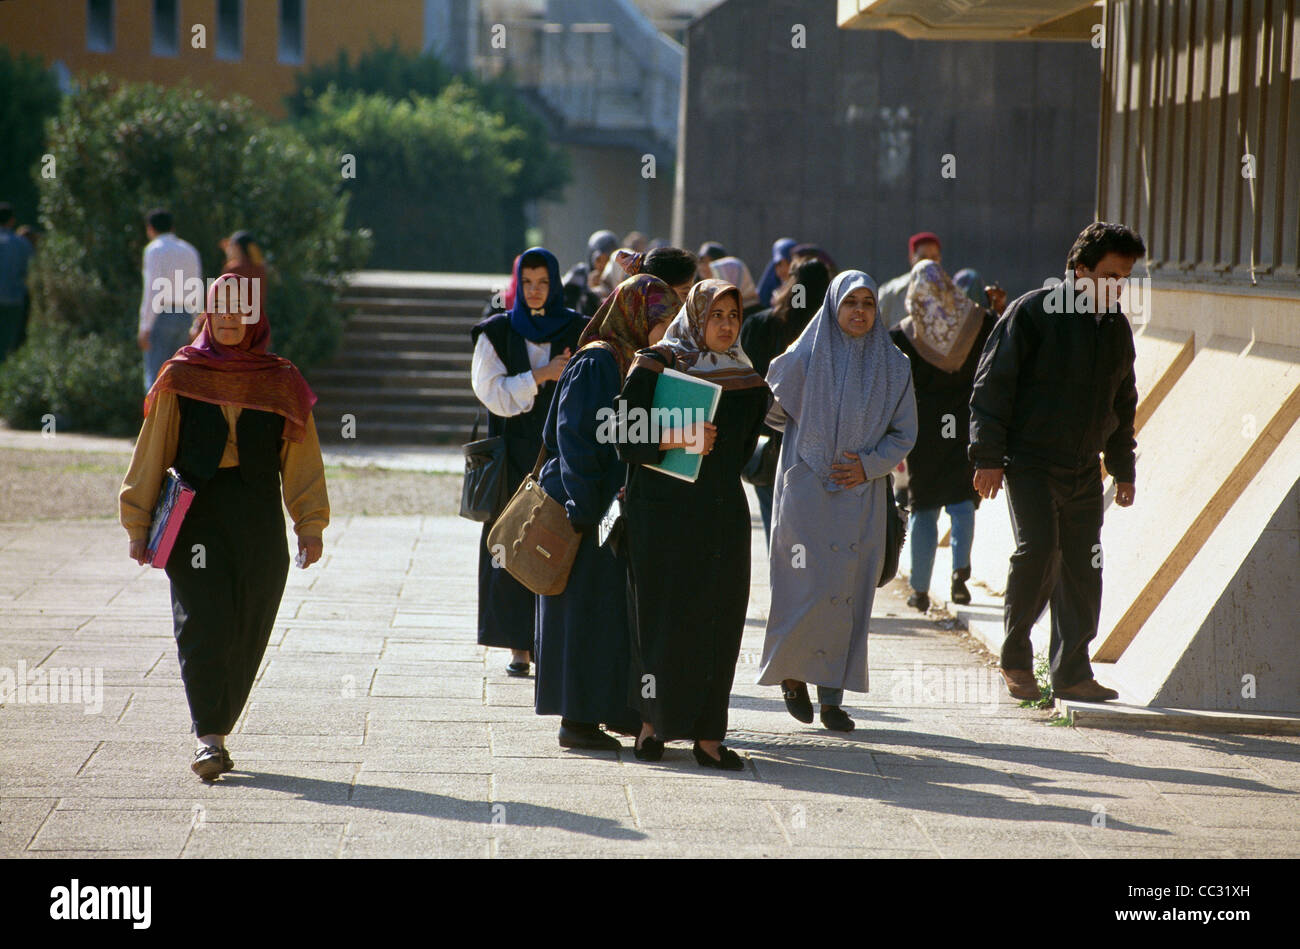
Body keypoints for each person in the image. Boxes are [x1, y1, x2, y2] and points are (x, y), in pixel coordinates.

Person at [119, 273, 329, 781]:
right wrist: (137, 522)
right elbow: (153, 449)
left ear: (255, 316)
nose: (232, 319)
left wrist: (310, 523)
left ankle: (219, 719)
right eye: (223, 309)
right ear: (208, 314)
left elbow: (302, 458)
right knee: (203, 620)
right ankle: (208, 737)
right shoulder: (182, 374)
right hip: (197, 514)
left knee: (250, 617)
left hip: (257, 514)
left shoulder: (280, 379)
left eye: (242, 310)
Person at [970, 221, 1144, 704]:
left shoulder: (1114, 327)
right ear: (1079, 270)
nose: (1116, 287)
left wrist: (1122, 466)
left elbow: (1122, 401)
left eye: (1124, 278)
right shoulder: (1033, 313)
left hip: (1085, 467)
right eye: (1109, 275)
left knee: (1084, 567)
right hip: (1029, 462)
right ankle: (1015, 657)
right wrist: (987, 457)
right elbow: (991, 389)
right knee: (1039, 552)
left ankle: (1071, 671)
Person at [617, 279, 770, 770]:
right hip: (658, 516)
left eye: (733, 315)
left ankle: (709, 735)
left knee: (717, 622)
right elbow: (621, 434)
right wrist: (680, 437)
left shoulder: (748, 378)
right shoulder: (655, 363)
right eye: (716, 314)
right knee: (659, 620)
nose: (725, 324)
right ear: (696, 315)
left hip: (720, 517)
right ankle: (650, 724)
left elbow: (741, 453)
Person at [757, 270, 917, 732]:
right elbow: (769, 412)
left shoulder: (895, 365)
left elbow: (905, 433)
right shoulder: (805, 354)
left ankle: (832, 699)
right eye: (851, 303)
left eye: (868, 303)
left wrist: (868, 465)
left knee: (845, 597)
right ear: (833, 307)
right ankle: (791, 675)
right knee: (800, 588)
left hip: (859, 494)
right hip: (806, 490)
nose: (860, 312)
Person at [533, 274, 678, 750]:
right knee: (581, 614)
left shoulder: (636, 363)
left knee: (605, 615)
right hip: (584, 506)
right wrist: (585, 506)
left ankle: (602, 711)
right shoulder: (598, 360)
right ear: (635, 316)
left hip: (606, 507)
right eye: (660, 321)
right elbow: (573, 438)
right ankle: (575, 720)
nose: (667, 332)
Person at [470, 248, 588, 677]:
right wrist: (542, 375)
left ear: (554, 284)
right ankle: (516, 644)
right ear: (516, 286)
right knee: (506, 542)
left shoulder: (577, 327)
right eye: (527, 283)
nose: (535, 291)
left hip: (560, 453)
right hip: (510, 454)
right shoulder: (496, 331)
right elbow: (491, 392)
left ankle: (548, 640)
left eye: (543, 283)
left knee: (554, 540)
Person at [890, 259, 1003, 612]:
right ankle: (959, 578)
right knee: (961, 503)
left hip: (923, 434)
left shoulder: (902, 336)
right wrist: (995, 308)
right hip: (966, 426)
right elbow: (1001, 345)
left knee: (924, 508)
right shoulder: (979, 322)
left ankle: (920, 589)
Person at [740, 256, 832, 541]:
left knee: (776, 527)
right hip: (821, 444)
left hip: (770, 442)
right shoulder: (832, 333)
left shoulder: (760, 324)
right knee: (813, 529)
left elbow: (744, 381)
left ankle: (780, 581)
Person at [138, 209, 203, 391]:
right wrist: (196, 322)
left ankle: (154, 419)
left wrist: (145, 326)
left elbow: (153, 289)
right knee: (180, 377)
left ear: (150, 229)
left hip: (161, 316)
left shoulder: (154, 250)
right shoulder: (189, 250)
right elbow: (196, 286)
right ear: (173, 227)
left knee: (155, 378)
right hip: (185, 316)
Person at [190, 230, 264, 343]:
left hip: (233, 328)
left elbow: (219, 301)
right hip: (256, 329)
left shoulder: (234, 268)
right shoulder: (261, 269)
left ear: (237, 247)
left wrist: (199, 323)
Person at [876, 231, 942, 330]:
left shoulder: (949, 293)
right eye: (923, 257)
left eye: (934, 258)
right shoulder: (891, 292)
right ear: (912, 258)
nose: (928, 263)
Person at [0, 203, 34, 363]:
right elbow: (31, 273)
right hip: (14, 300)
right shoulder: (22, 244)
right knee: (9, 346)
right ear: (12, 221)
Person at [756, 237, 798, 310]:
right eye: (777, 265)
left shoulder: (801, 286)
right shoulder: (774, 283)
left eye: (789, 263)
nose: (781, 269)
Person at [588, 230, 621, 295]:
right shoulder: (582, 277)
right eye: (599, 260)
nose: (603, 265)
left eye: (607, 260)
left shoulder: (620, 280)